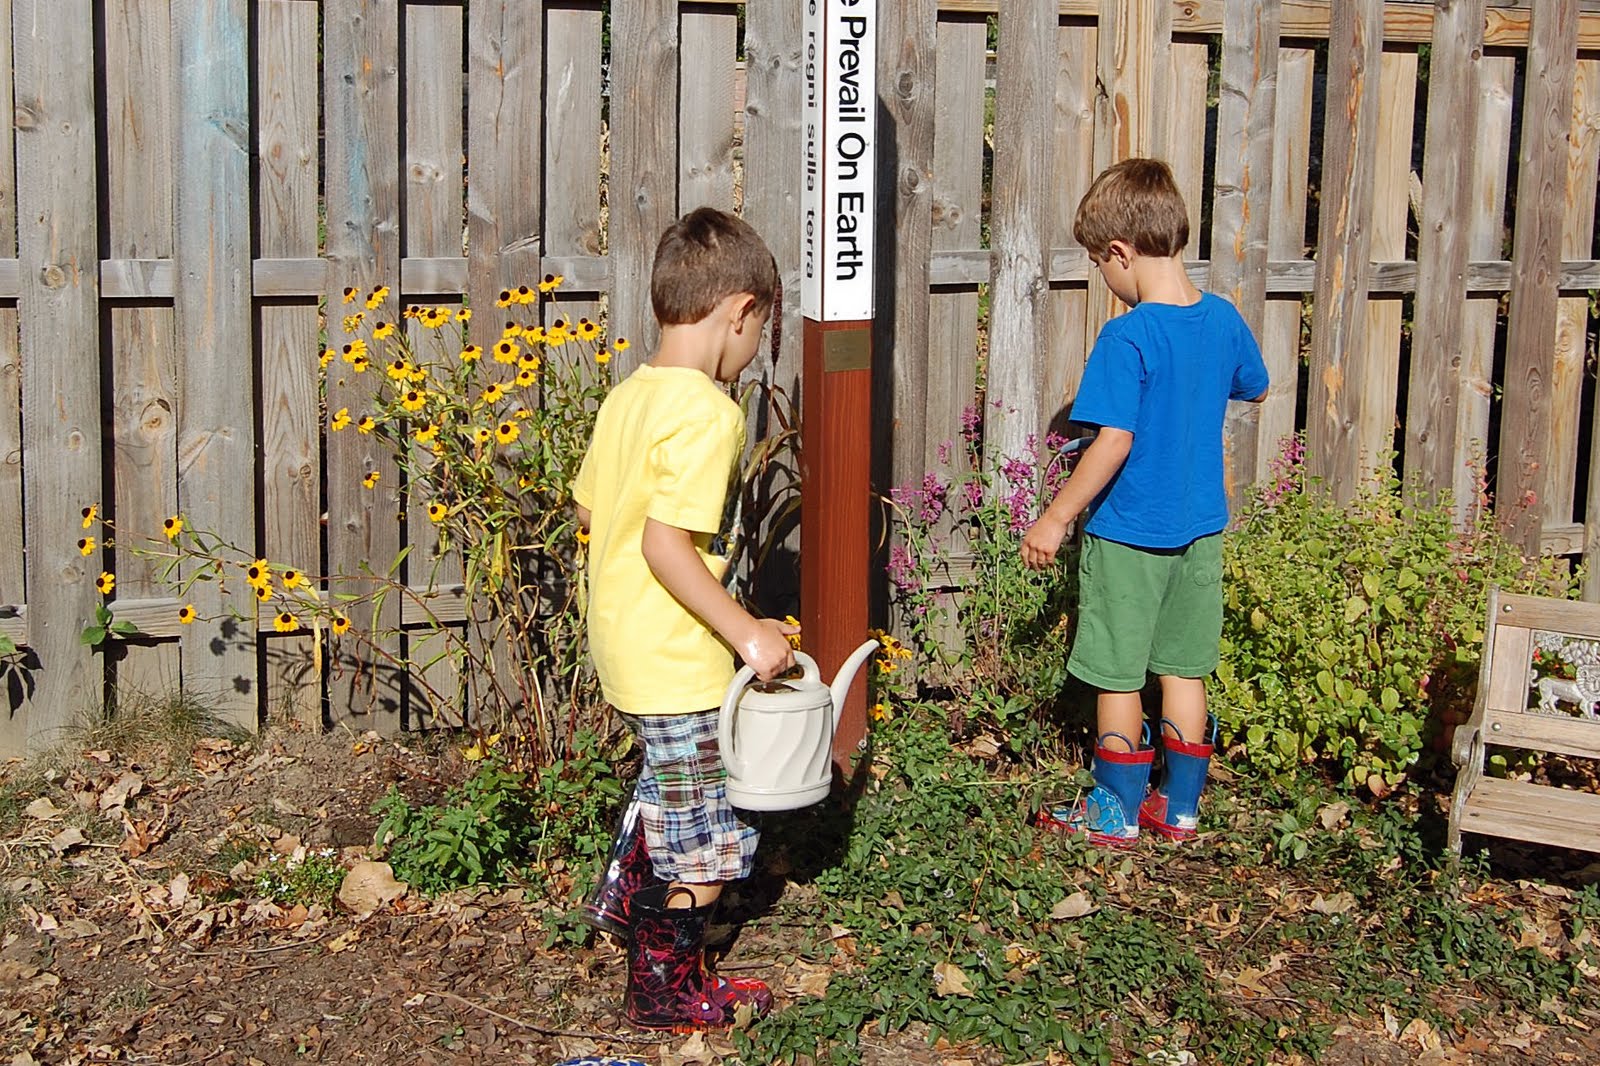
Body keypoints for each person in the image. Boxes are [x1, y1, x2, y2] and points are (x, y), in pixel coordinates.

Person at [571, 206, 798, 1030]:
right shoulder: (708, 411)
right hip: (678, 656)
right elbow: (668, 546)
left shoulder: (628, 396)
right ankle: (666, 984)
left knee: (670, 786)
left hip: (626, 646)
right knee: (710, 833)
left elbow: (595, 515)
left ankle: (628, 892)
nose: (751, 353)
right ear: (739, 313)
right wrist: (745, 630)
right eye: (758, 332)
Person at [1021, 158, 1269, 848]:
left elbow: (1113, 441)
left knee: (1118, 672)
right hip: (1201, 532)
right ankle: (1180, 808)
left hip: (1130, 534)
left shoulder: (1127, 336)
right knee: (1185, 668)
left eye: (1101, 263)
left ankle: (1115, 810)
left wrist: (1056, 515)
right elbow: (1257, 385)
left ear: (1122, 253)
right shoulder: (1221, 320)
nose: (1104, 276)